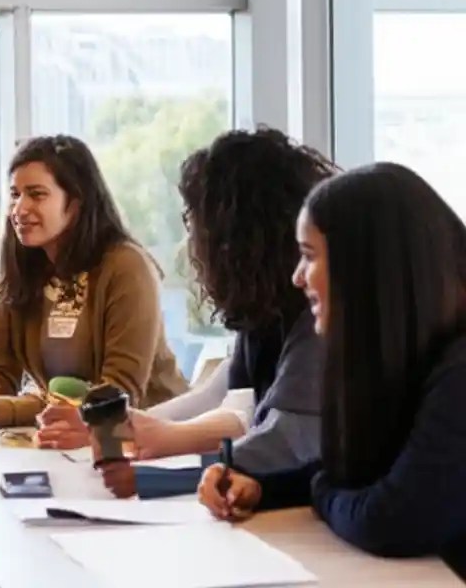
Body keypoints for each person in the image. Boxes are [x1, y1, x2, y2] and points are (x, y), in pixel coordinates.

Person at [198, 163, 466, 577]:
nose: (296, 278)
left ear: (364, 266)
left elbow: (392, 519)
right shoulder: (419, 357)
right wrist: (260, 487)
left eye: (308, 256)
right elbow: (356, 476)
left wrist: (320, 492)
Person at [99, 129, 336, 496]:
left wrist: (156, 479)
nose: (190, 245)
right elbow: (221, 394)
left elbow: (282, 444)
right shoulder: (268, 310)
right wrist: (125, 429)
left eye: (194, 225)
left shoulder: (317, 314)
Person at [0, 135, 187, 436]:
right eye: (15, 195)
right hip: (65, 438)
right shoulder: (22, 266)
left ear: (75, 203)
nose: (19, 209)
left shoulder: (126, 266)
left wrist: (3, 411)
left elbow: (117, 393)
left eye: (37, 195)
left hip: (150, 440)